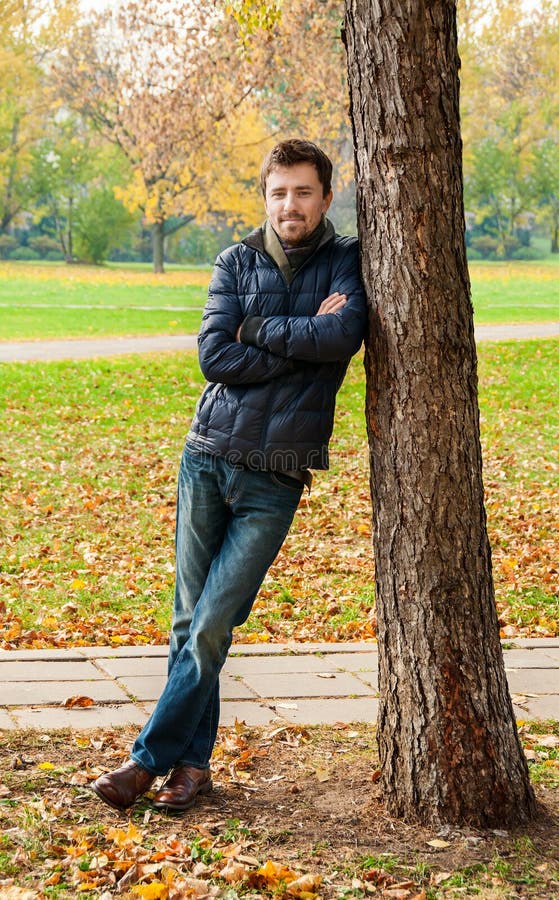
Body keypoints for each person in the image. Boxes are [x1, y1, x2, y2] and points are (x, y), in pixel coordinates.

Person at [91, 138, 367, 814]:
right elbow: (215, 356)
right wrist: (295, 335)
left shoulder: (347, 261)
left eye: (303, 192)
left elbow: (340, 340)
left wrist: (258, 328)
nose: (289, 204)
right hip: (207, 457)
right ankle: (191, 767)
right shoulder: (235, 260)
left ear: (325, 197)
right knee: (192, 624)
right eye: (278, 192)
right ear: (265, 196)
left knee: (212, 621)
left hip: (274, 476)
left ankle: (144, 762)